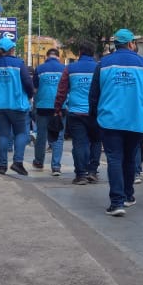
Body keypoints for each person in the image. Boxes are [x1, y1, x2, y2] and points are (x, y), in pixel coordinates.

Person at [89, 29, 143, 216]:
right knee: (130, 158)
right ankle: (128, 196)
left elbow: (94, 95)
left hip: (109, 120)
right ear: (130, 44)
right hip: (136, 120)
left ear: (115, 44)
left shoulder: (103, 64)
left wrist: (93, 117)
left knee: (114, 159)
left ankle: (117, 202)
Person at [0, 36, 35, 176]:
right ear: (11, 50)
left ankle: (2, 166)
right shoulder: (18, 64)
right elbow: (28, 83)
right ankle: (17, 163)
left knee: (3, 134)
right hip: (16, 104)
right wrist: (29, 95)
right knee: (21, 133)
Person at [55, 40, 102, 185]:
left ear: (80, 52)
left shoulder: (70, 68)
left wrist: (57, 108)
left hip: (76, 113)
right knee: (95, 142)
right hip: (96, 113)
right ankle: (92, 172)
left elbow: (62, 91)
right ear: (93, 53)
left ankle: (81, 175)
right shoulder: (99, 68)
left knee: (79, 144)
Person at [32, 47, 65, 175]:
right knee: (59, 137)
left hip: (43, 107)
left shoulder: (39, 69)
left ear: (47, 57)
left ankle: (39, 161)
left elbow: (35, 88)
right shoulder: (64, 69)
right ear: (58, 56)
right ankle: (56, 167)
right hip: (60, 108)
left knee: (41, 136)